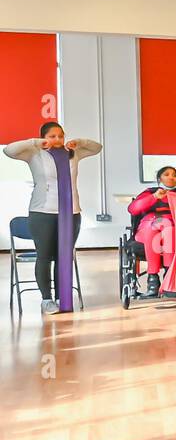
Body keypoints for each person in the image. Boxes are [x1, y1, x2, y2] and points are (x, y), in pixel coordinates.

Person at [3, 121, 102, 314]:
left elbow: (97, 148)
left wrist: (79, 142)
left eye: (60, 136)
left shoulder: (73, 154)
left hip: (71, 212)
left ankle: (62, 297)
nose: (57, 140)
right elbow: (9, 150)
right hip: (43, 212)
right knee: (45, 256)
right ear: (44, 137)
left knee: (63, 256)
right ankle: (47, 300)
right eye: (52, 136)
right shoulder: (34, 153)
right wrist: (36, 143)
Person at [126, 166, 176, 297]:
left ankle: (166, 282)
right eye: (167, 174)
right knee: (154, 229)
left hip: (172, 232)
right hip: (147, 229)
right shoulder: (149, 192)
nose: (171, 177)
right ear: (159, 179)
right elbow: (134, 209)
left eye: (174, 175)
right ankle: (154, 282)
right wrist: (154, 197)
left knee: (169, 229)